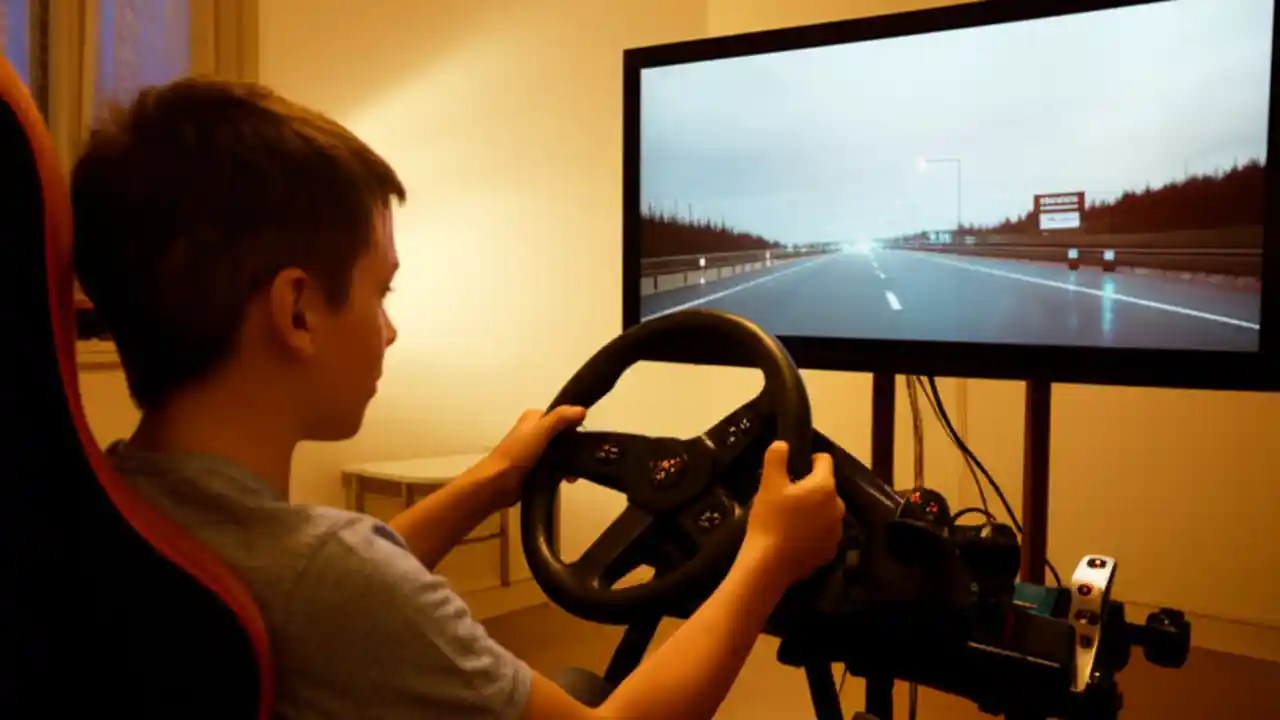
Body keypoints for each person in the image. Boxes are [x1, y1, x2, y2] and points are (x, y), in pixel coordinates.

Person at [72, 77, 845, 720]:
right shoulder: (329, 578)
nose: (390, 330)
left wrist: (489, 481)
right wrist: (767, 559)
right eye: (381, 293)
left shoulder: (118, 501)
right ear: (297, 311)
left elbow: (346, 584)